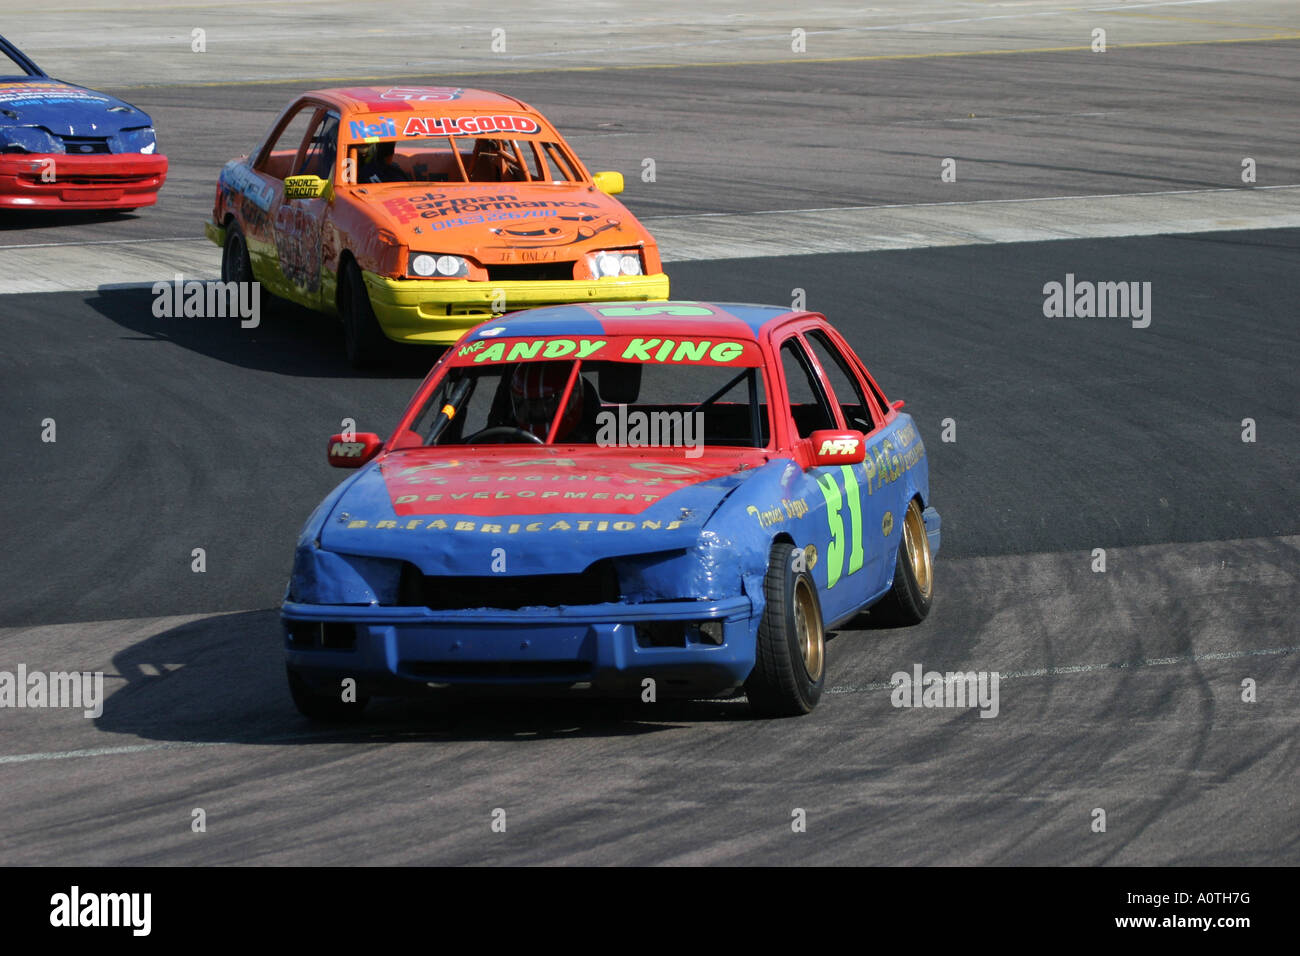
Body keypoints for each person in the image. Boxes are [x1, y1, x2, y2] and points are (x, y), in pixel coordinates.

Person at [509, 362, 594, 441]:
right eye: (531, 402)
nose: (538, 410)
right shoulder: (507, 440)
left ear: (572, 398)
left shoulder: (598, 441)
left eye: (548, 400)